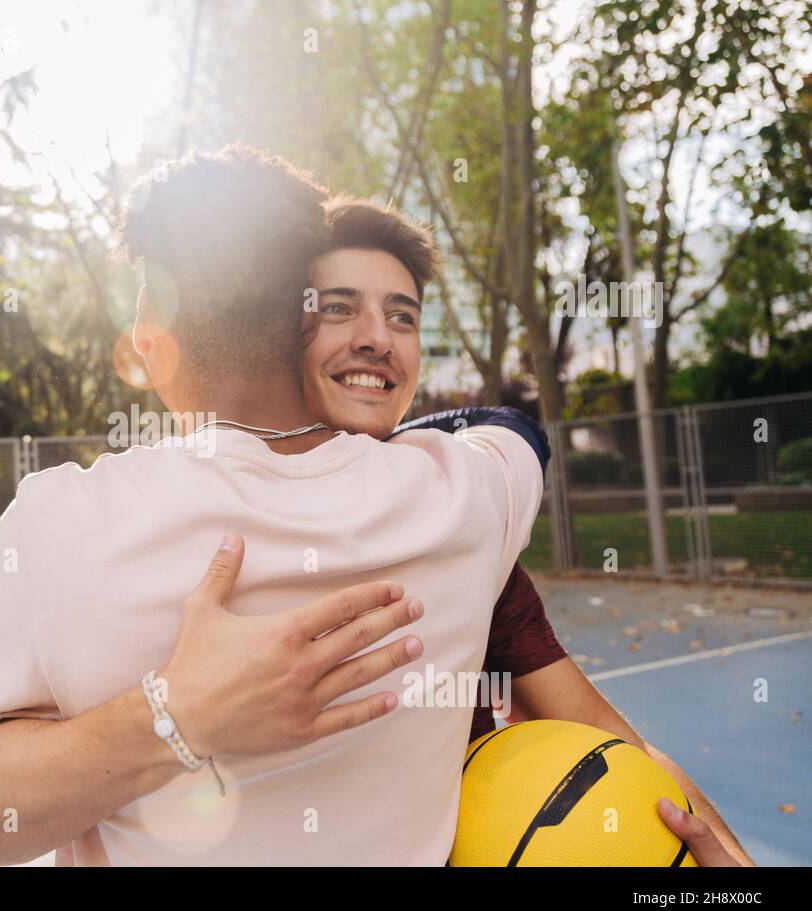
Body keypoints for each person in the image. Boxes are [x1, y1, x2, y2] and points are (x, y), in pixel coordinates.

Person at [0, 145, 546, 865]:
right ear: (304, 321)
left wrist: (172, 717)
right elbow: (516, 433)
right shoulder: (462, 495)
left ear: (153, 334)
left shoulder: (63, 521)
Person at [295, 195, 751, 866]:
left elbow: (593, 726)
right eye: (338, 307)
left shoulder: (457, 532)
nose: (377, 337)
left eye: (402, 316)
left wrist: (733, 870)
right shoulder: (208, 539)